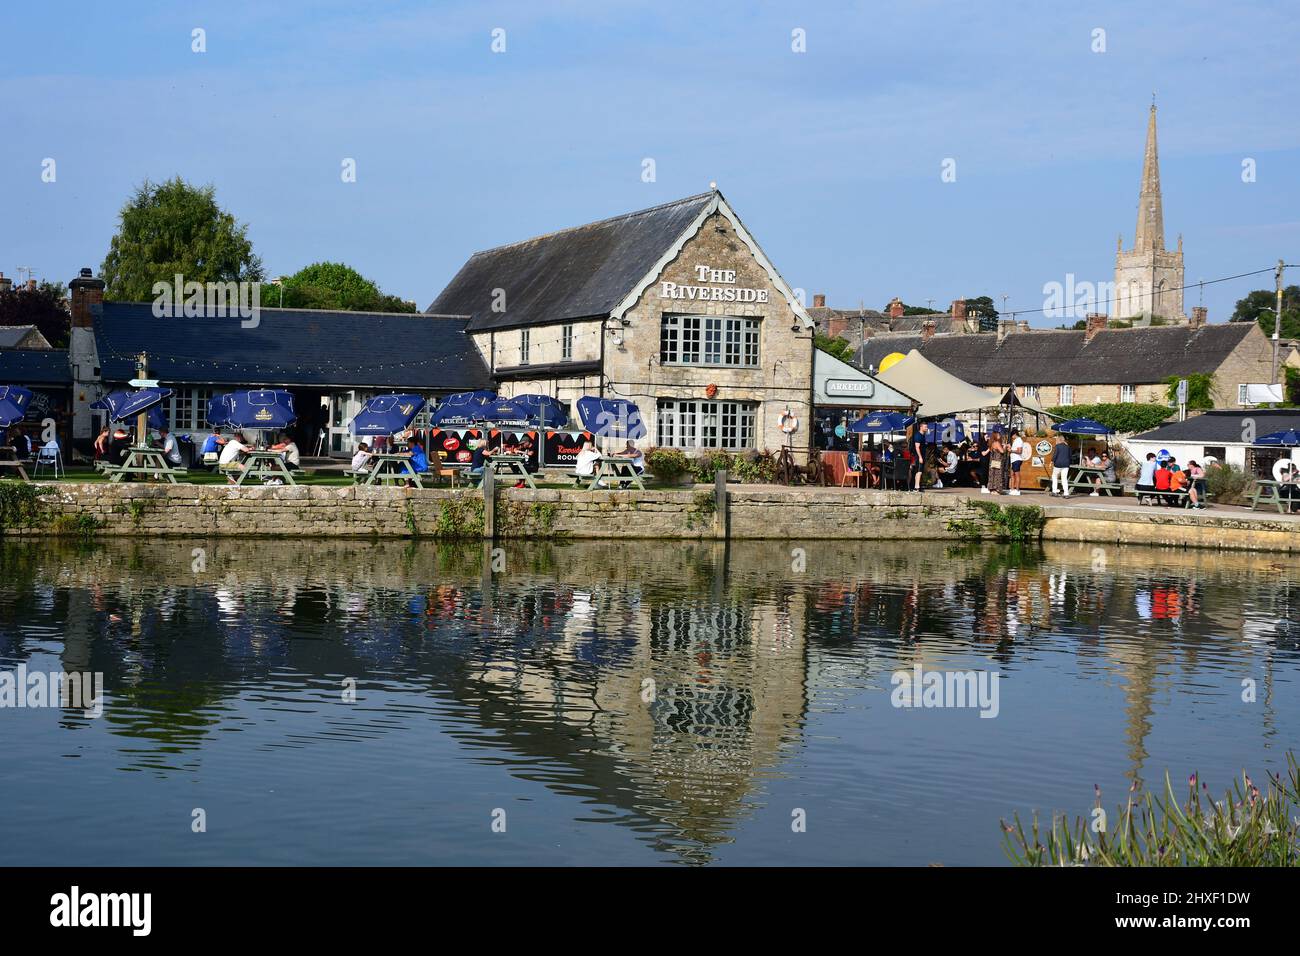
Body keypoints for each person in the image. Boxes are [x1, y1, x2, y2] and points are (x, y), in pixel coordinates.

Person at [911, 422, 929, 491]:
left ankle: (916, 486)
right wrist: (920, 457)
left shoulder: (923, 435)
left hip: (922, 455)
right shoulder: (918, 435)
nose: (926, 428)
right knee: (919, 471)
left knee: (919, 471)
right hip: (918, 456)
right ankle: (917, 487)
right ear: (921, 427)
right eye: (925, 427)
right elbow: (917, 447)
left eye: (926, 427)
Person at [1008, 429, 1026, 496]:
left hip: (1017, 460)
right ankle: (1012, 489)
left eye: (1012, 435)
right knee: (1012, 474)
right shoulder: (1015, 440)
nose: (1011, 437)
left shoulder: (1019, 440)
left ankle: (1017, 490)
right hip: (1013, 460)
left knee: (1017, 475)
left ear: (1015, 434)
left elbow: (1019, 451)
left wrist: (1011, 450)